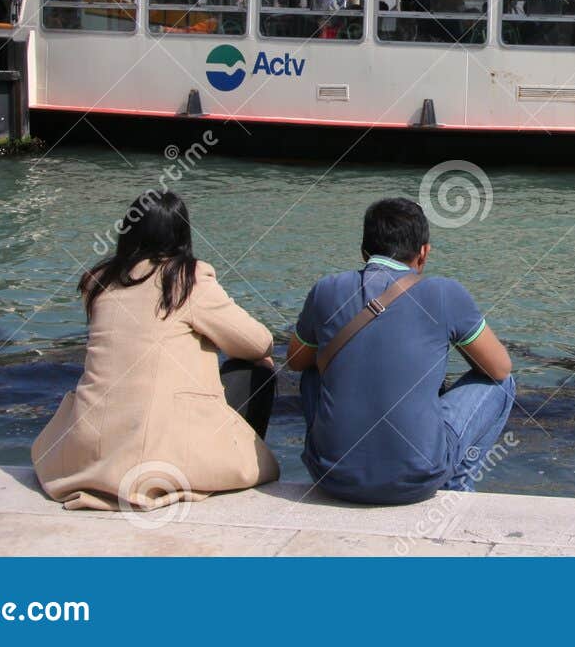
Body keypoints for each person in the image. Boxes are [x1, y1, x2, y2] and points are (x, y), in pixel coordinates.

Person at [32, 192, 279, 511]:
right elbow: (260, 342)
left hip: (85, 447)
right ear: (183, 234)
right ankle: (233, 454)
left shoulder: (99, 282)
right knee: (259, 365)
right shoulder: (187, 279)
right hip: (156, 454)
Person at [288, 198, 515, 505]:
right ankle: (458, 482)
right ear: (424, 252)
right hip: (418, 479)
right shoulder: (445, 293)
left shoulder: (325, 289)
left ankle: (342, 452)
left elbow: (295, 360)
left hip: (331, 477)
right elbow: (499, 368)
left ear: (363, 251)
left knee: (314, 370)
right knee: (502, 385)